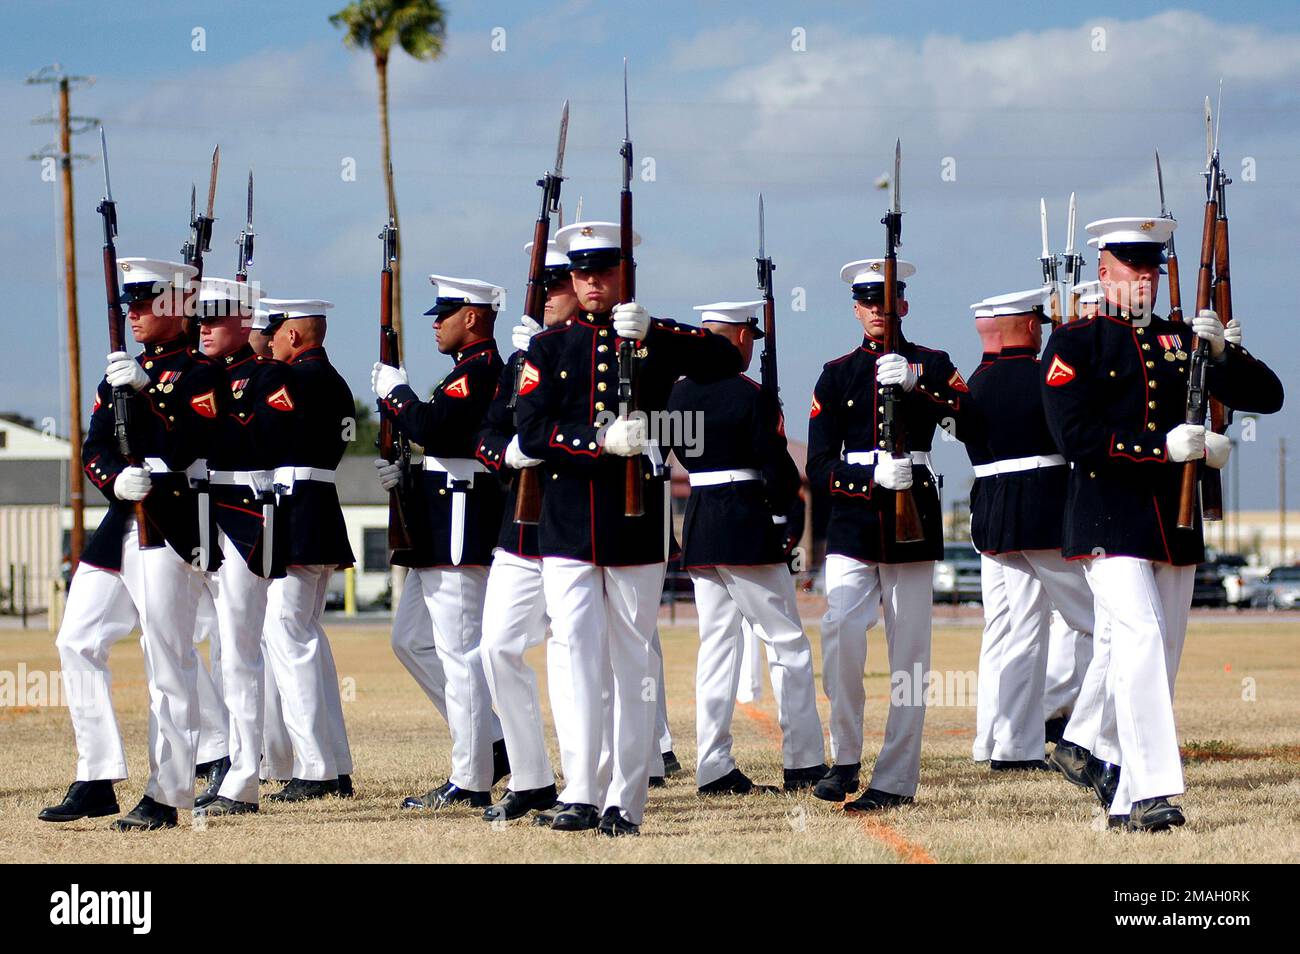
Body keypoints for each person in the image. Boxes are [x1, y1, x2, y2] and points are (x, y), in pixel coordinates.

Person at [1041, 216, 1282, 830]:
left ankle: (1116, 788)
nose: (1143, 276)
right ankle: (1151, 791)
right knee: (1142, 637)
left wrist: (1226, 353)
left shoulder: (1182, 339)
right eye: (1131, 265)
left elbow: (1267, 395)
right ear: (1104, 270)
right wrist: (1163, 449)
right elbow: (1076, 437)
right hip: (1107, 516)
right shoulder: (1077, 343)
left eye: (1152, 266)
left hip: (1173, 523)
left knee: (1158, 651)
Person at [515, 220, 741, 836]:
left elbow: (727, 357)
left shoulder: (651, 335)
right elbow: (532, 433)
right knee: (574, 655)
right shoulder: (548, 348)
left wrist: (656, 329)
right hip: (566, 520)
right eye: (582, 273)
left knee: (634, 658)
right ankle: (582, 788)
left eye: (604, 271)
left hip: (635, 518)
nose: (592, 283)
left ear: (622, 273)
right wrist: (596, 441)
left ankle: (627, 796)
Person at [40, 258, 225, 830]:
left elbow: (199, 438)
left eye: (145, 303)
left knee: (167, 658)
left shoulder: (202, 371)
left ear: (175, 306)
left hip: (173, 519)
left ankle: (168, 794)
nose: (134, 314)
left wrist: (151, 395)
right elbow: (94, 445)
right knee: (77, 639)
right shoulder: (120, 373)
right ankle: (96, 775)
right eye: (130, 304)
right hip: (122, 521)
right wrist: (112, 477)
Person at [806, 258, 975, 812]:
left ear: (902, 304)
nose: (878, 310)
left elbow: (970, 424)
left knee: (910, 655)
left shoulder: (933, 362)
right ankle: (845, 757)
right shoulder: (836, 374)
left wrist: (918, 382)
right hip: (855, 518)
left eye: (887, 299)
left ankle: (896, 778)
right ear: (856, 308)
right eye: (867, 300)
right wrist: (864, 476)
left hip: (913, 513)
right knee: (841, 635)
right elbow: (819, 465)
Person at [667, 300, 826, 795]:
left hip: (700, 522)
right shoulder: (749, 393)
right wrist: (783, 513)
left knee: (716, 649)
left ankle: (713, 765)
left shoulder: (677, 395)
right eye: (749, 338)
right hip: (743, 519)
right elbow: (775, 463)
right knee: (787, 645)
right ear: (737, 338)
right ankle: (803, 762)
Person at [371, 275, 510, 809]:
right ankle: (491, 742)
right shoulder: (461, 373)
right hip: (435, 519)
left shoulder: (479, 373)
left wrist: (396, 393)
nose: (435, 324)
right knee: (410, 639)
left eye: (444, 314)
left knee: (461, 653)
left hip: (458, 520)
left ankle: (471, 778)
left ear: (471, 317)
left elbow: (435, 426)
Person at [963, 287, 1096, 771]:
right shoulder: (1044, 376)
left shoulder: (974, 382)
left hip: (994, 518)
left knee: (1016, 631)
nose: (1041, 327)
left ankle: (1007, 744)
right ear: (1023, 325)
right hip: (1043, 512)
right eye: (1036, 321)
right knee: (1094, 623)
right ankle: (1078, 729)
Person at [192, 277, 299, 815]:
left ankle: (243, 774)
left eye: (216, 318)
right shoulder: (195, 374)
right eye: (200, 319)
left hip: (243, 513)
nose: (204, 328)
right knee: (195, 645)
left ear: (243, 323)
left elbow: (268, 440)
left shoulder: (268, 375)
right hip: (197, 511)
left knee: (239, 648)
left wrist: (205, 415)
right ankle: (218, 754)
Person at [258, 298, 357, 802]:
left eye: (273, 331)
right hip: (318, 506)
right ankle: (333, 763)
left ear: (294, 336)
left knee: (286, 634)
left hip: (296, 509)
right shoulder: (333, 381)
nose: (268, 340)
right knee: (306, 637)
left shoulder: (295, 380)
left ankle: (315, 767)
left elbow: (256, 428)